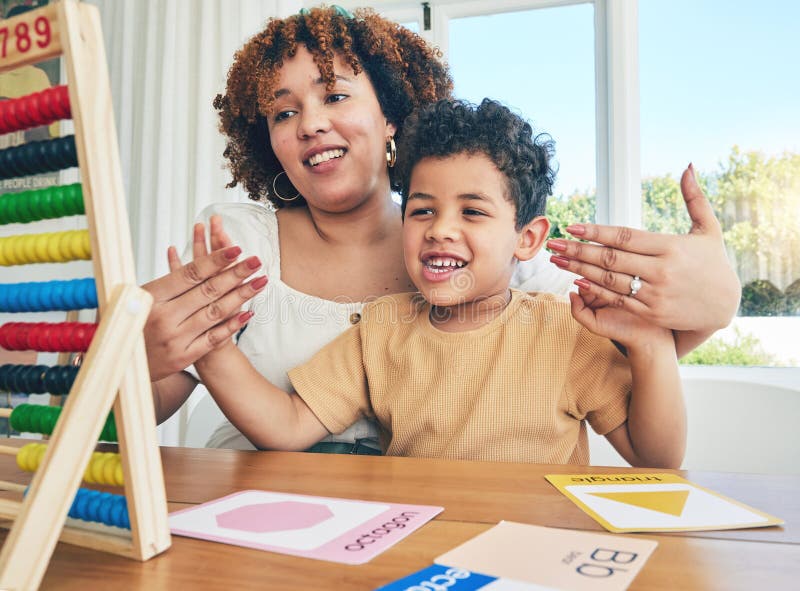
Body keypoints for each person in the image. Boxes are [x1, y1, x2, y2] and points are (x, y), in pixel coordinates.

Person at [142, 6, 737, 453]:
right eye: (284, 111)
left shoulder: (511, 273)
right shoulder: (253, 252)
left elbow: (628, 360)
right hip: (266, 512)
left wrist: (709, 306)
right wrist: (137, 353)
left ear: (391, 115)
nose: (310, 125)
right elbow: (184, 403)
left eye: (336, 95)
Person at [192, 98, 686, 467]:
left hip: (537, 548)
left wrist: (650, 345)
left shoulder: (567, 333)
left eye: (472, 211)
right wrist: (214, 350)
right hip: (421, 550)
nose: (440, 229)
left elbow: (656, 460)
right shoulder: (380, 329)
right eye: (422, 210)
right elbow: (288, 427)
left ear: (528, 238)